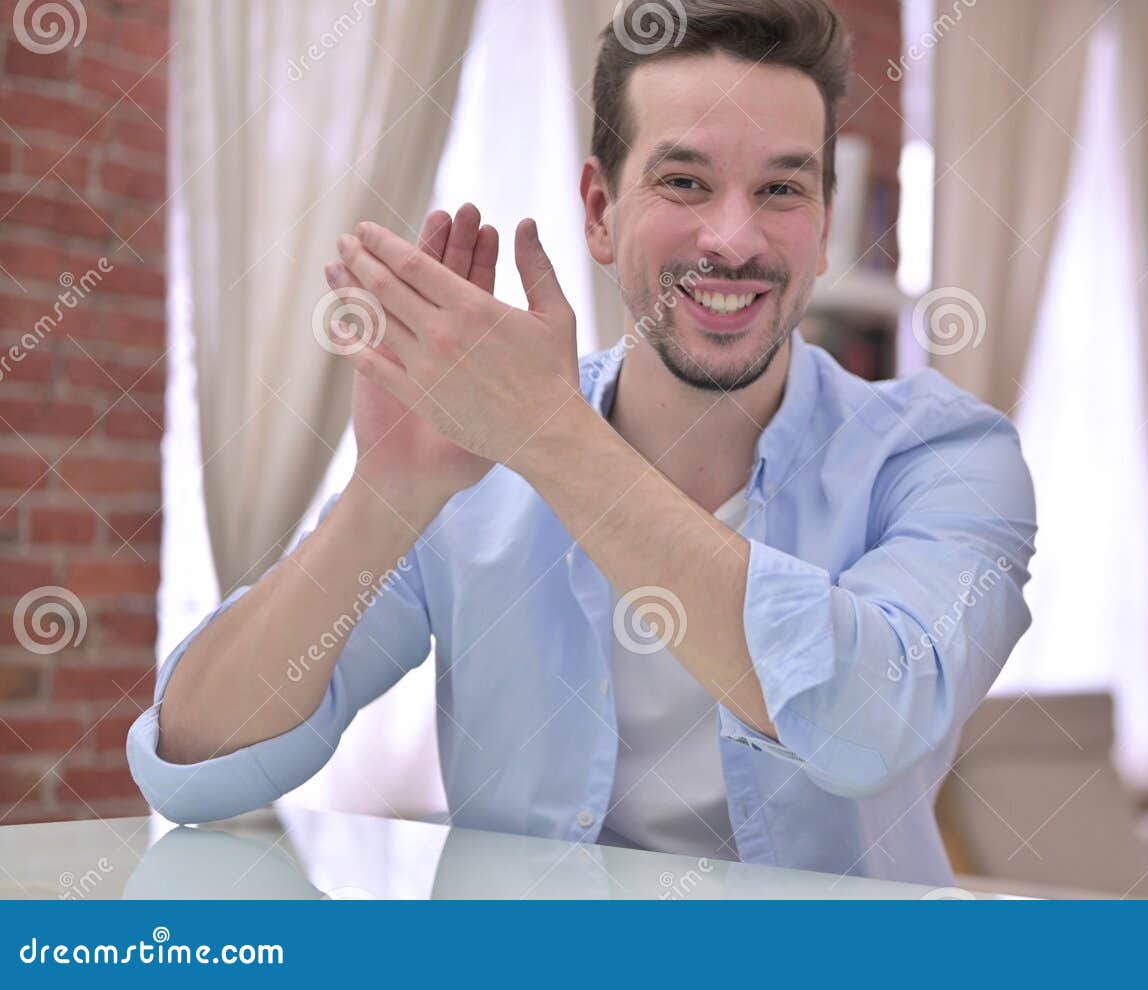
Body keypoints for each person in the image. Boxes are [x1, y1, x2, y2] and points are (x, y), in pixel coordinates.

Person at [129, 0, 1035, 885]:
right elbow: (195, 767)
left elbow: (874, 723)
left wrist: (551, 438)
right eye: (684, 181)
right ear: (599, 211)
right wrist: (386, 496)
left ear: (826, 221)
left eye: (781, 189)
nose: (733, 237)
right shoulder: (472, 464)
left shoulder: (947, 458)